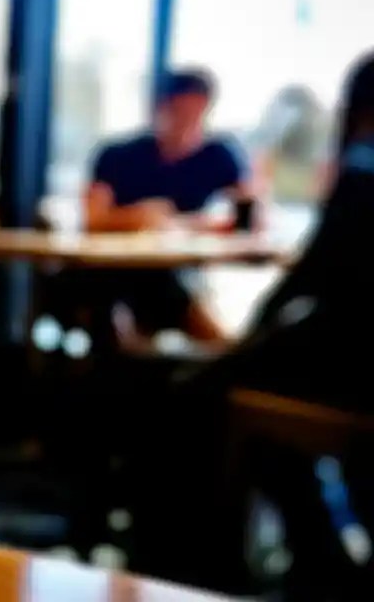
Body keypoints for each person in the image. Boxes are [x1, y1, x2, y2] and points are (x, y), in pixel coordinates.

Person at [128, 53, 374, 597]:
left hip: (352, 360)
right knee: (248, 406)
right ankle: (318, 561)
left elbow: (314, 277)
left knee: (194, 397)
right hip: (353, 357)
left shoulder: (363, 167)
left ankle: (191, 569)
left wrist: (252, 339)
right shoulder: (127, 154)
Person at [83, 69, 255, 348]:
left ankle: (232, 361)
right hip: (115, 270)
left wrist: (179, 223)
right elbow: (92, 218)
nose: (186, 120)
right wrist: (137, 217)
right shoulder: (118, 155)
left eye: (195, 111)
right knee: (128, 288)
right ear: (162, 107)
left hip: (174, 271)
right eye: (179, 109)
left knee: (167, 285)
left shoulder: (219, 154)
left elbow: (248, 219)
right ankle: (232, 361)